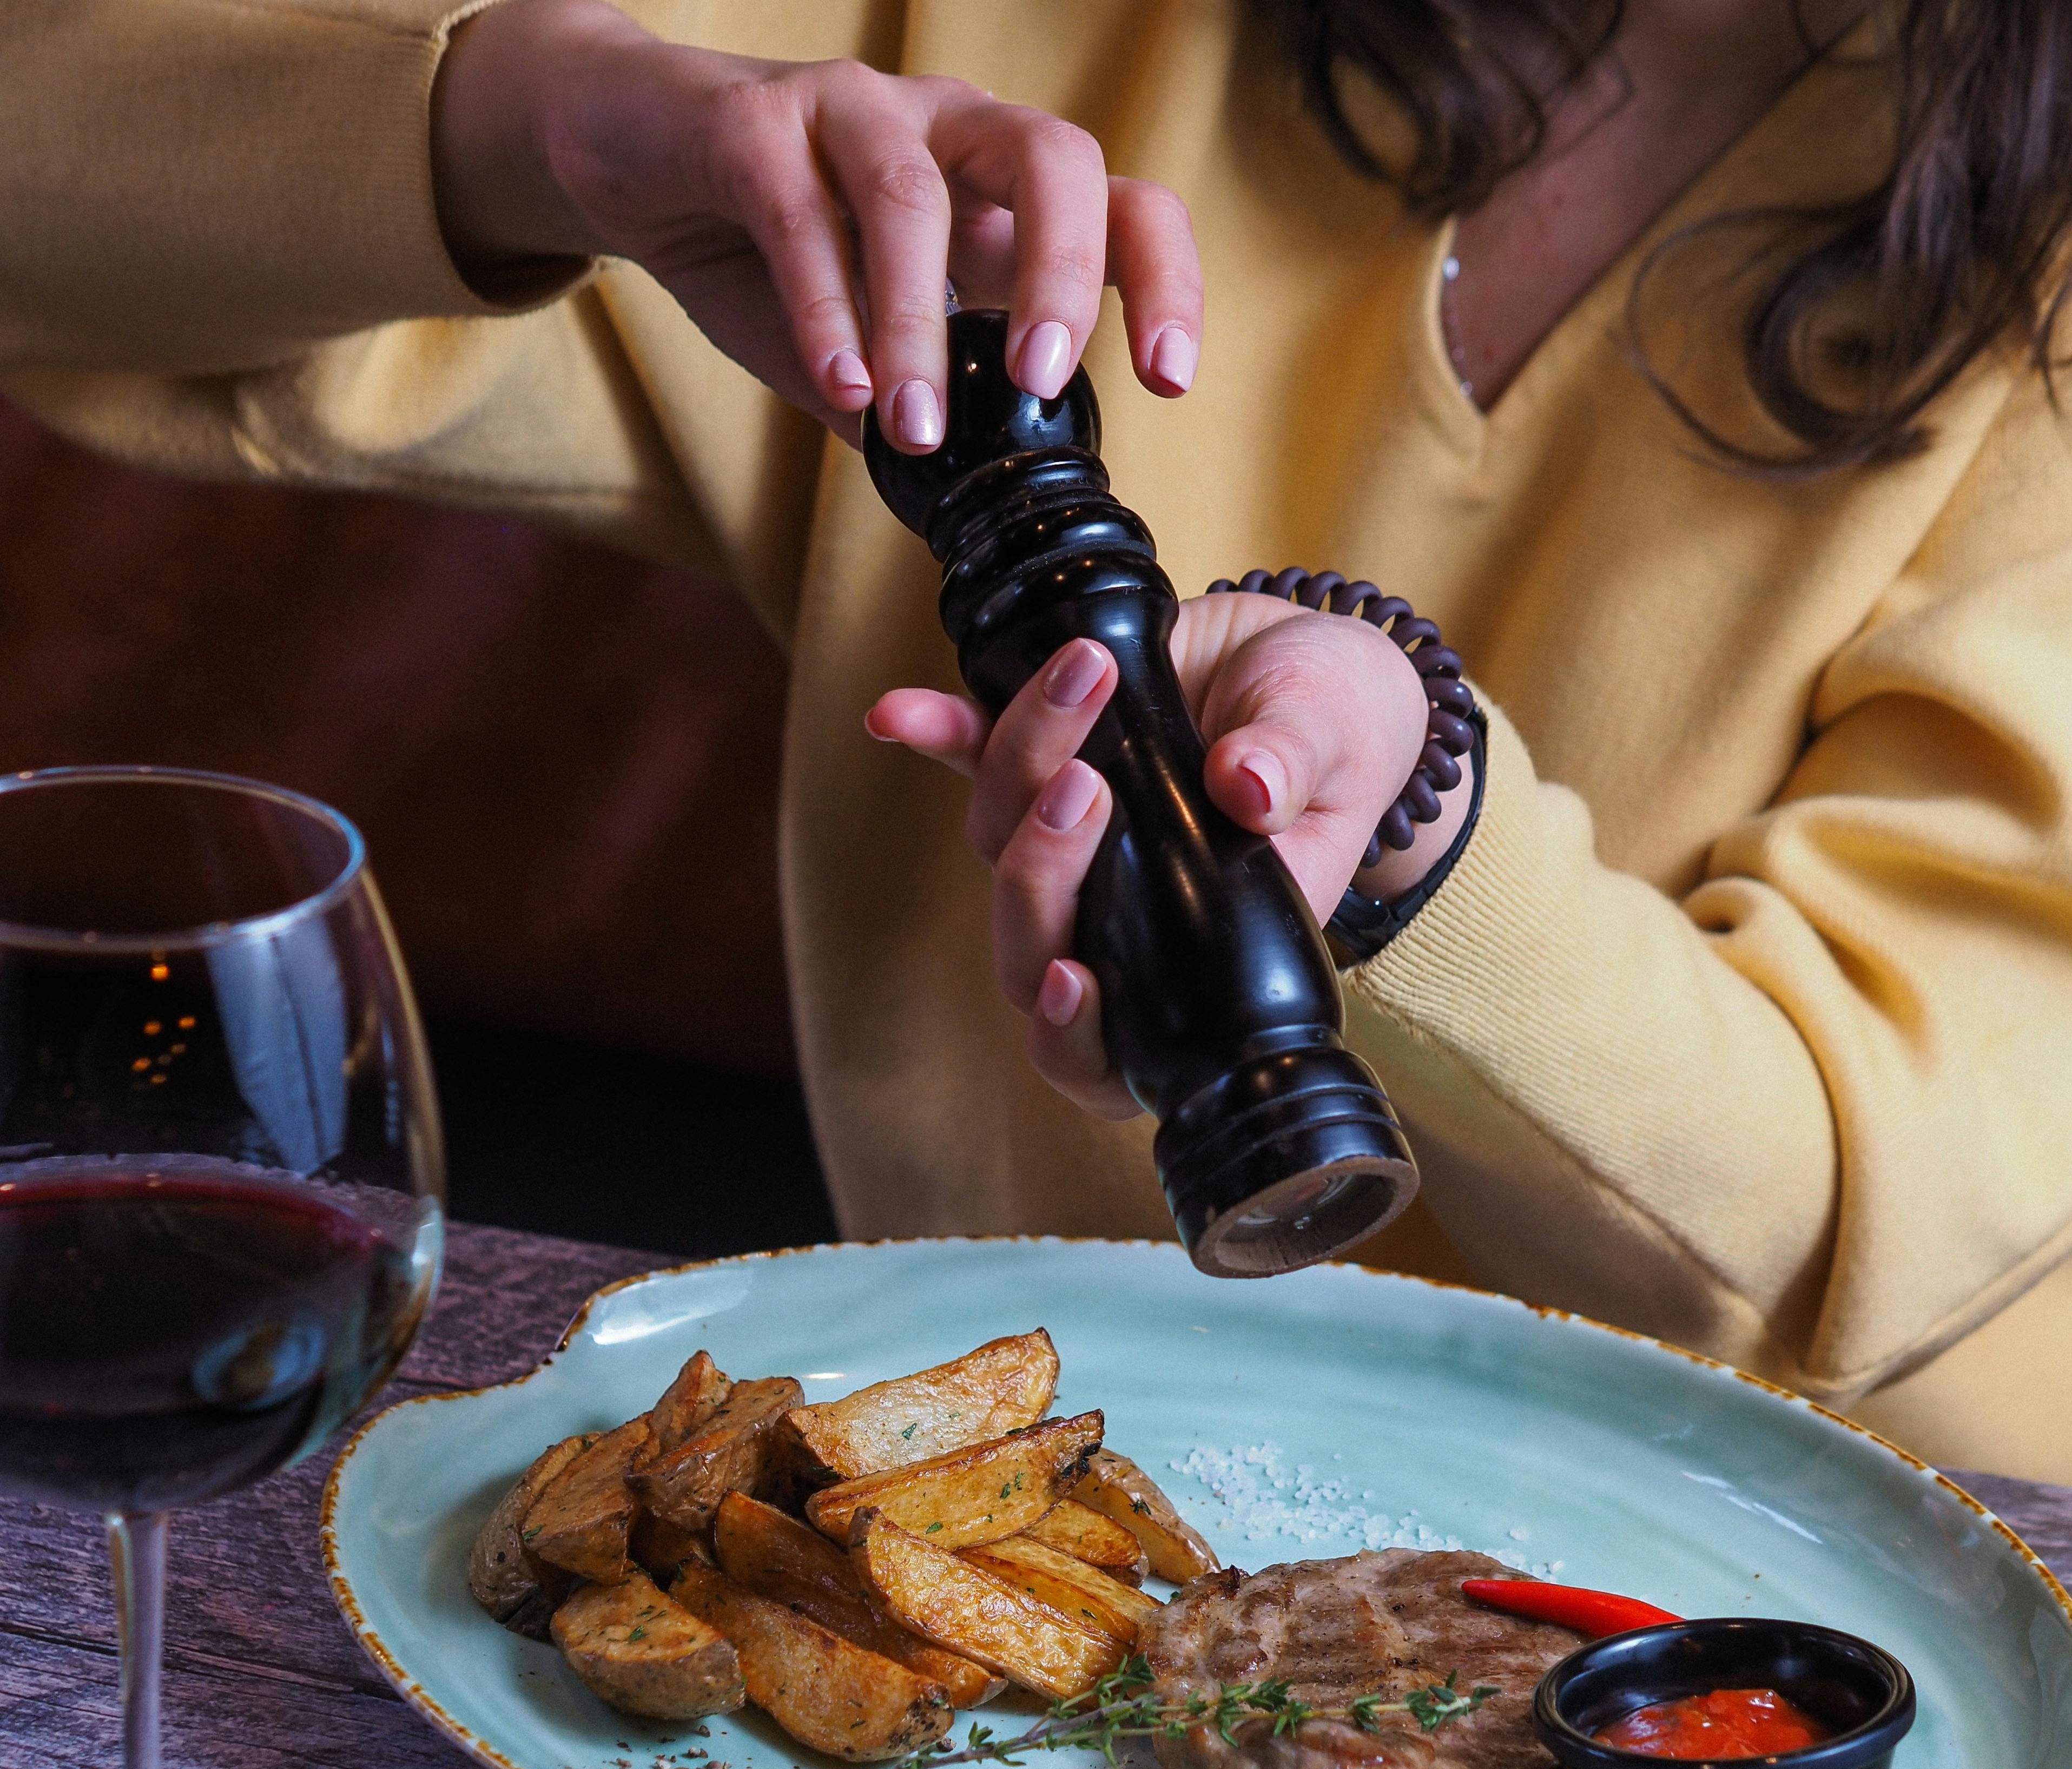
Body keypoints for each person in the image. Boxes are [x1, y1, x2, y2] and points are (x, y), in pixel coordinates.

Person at [5, 1, 2070, 1476]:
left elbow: (1839, 1221)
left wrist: (1415, 815)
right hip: (1039, 1522)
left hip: (1818, 1624)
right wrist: (517, 119)